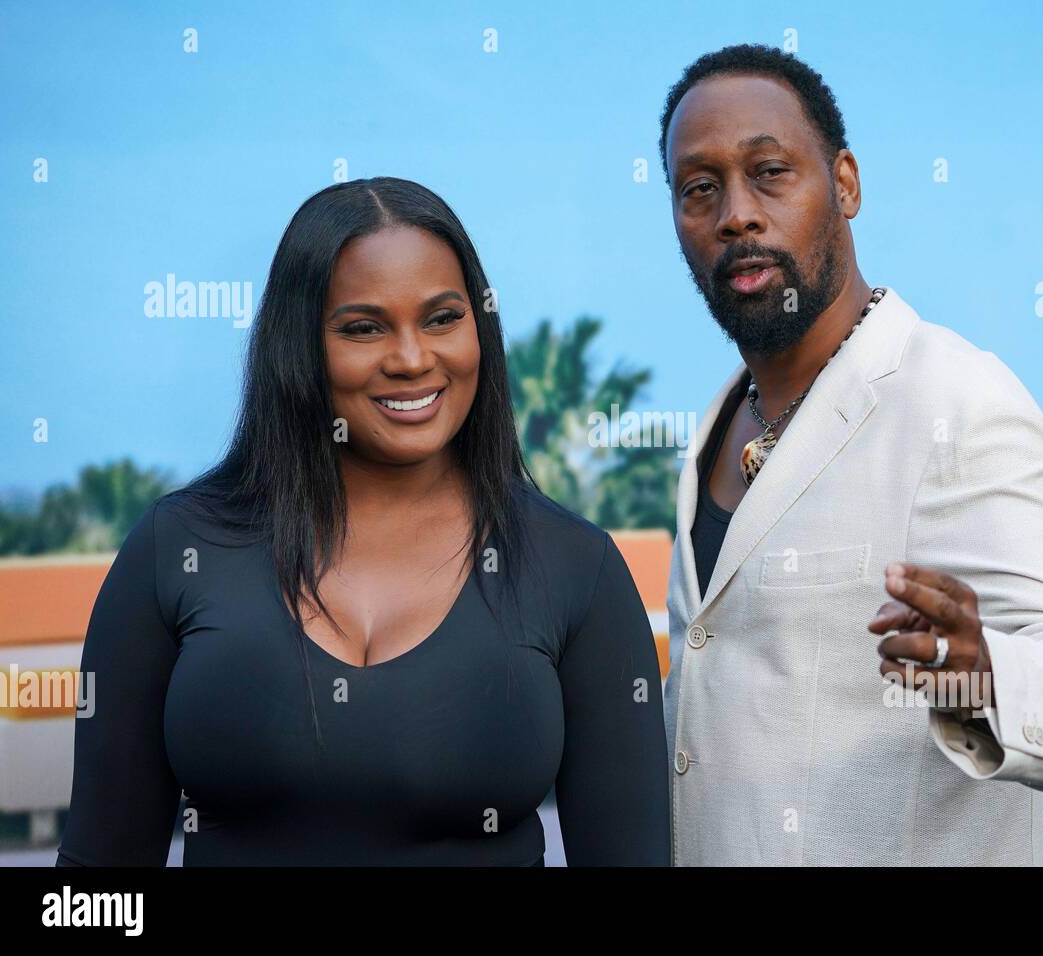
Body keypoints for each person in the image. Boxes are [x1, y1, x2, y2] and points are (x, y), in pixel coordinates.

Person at [55, 177, 669, 866]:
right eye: (364, 327)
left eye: (442, 318)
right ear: (298, 345)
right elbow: (94, 883)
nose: (411, 358)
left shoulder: (575, 566)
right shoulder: (177, 548)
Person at [658, 44, 1043, 865]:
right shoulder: (719, 422)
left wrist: (981, 677)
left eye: (770, 172)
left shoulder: (958, 403)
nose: (734, 213)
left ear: (844, 183)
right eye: (698, 189)